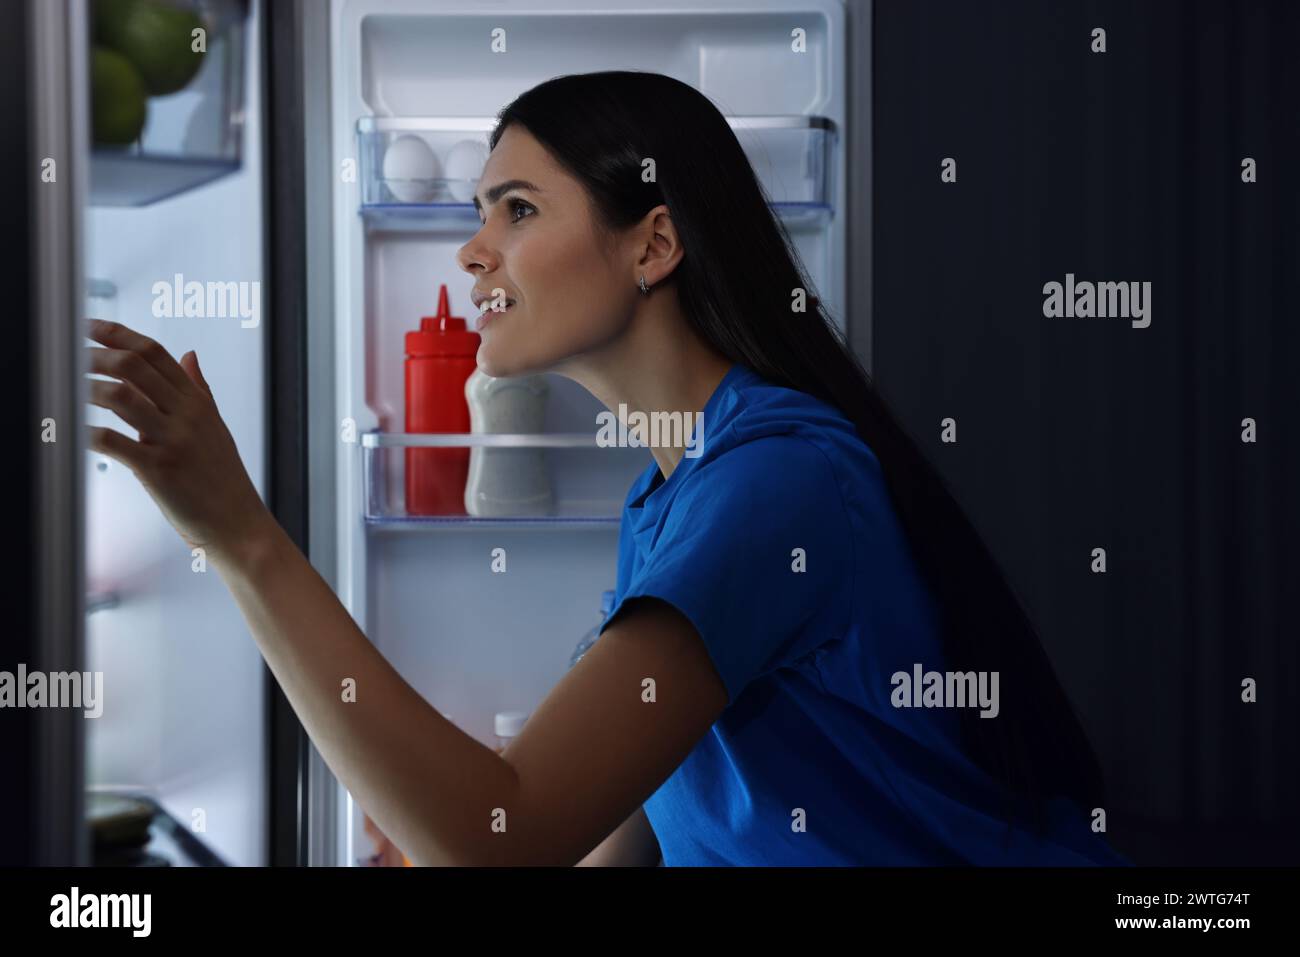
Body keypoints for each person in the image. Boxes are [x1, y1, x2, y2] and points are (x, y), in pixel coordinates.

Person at [85, 71, 1128, 866]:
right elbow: (608, 833)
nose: (470, 250)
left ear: (653, 245)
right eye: (480, 210)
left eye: (518, 210)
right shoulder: (671, 494)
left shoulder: (780, 484)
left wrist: (240, 536)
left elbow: (501, 836)